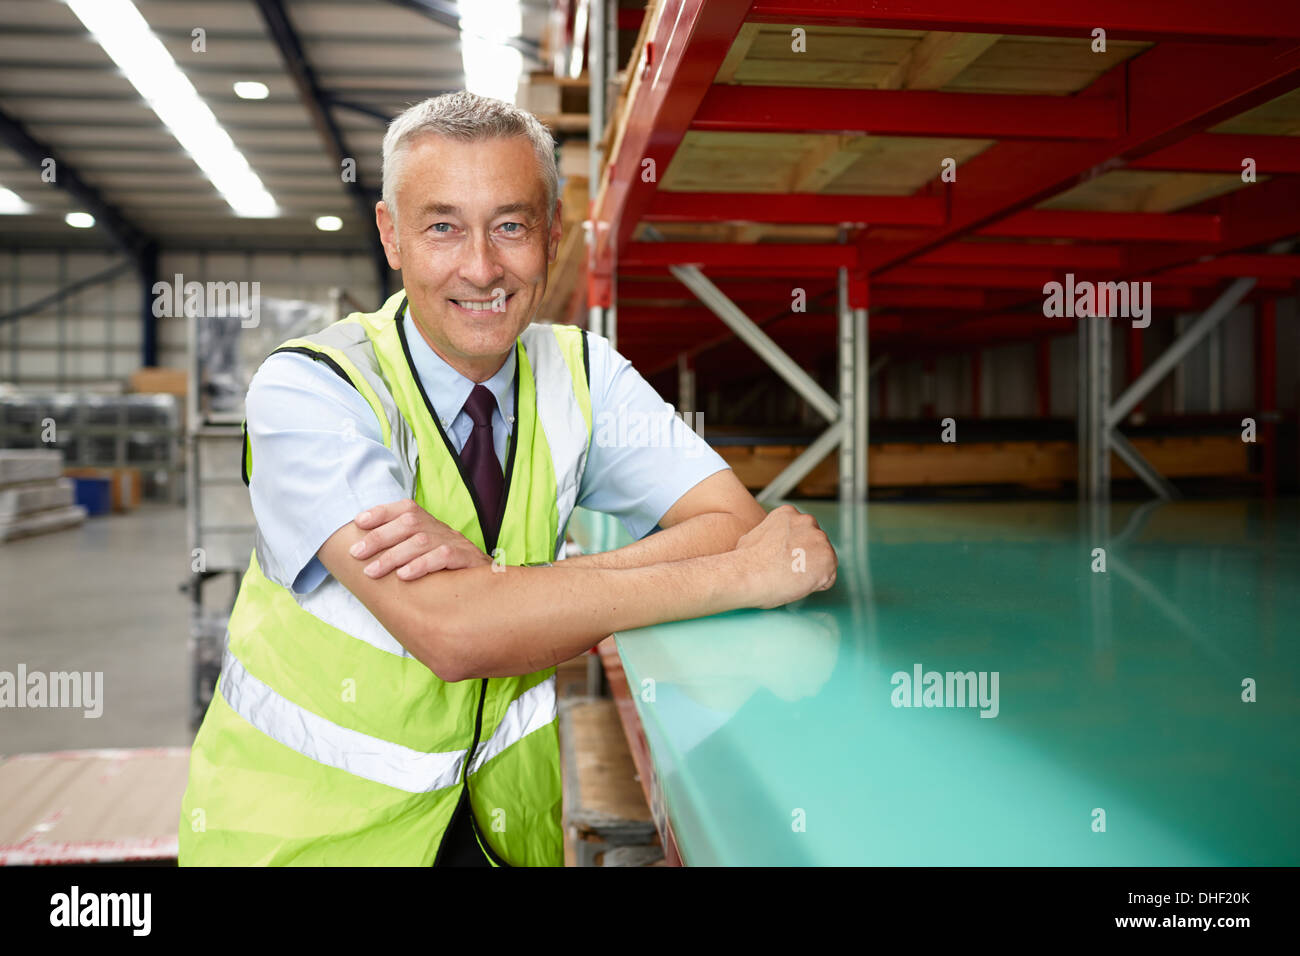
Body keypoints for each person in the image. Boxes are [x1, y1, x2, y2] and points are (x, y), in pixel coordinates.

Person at [178, 90, 836, 867]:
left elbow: (731, 523)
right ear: (392, 234)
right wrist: (742, 576)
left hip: (501, 836)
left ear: (553, 236)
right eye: (443, 227)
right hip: (308, 844)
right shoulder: (313, 389)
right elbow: (455, 635)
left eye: (512, 227)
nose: (482, 268)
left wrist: (501, 591)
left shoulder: (583, 373)